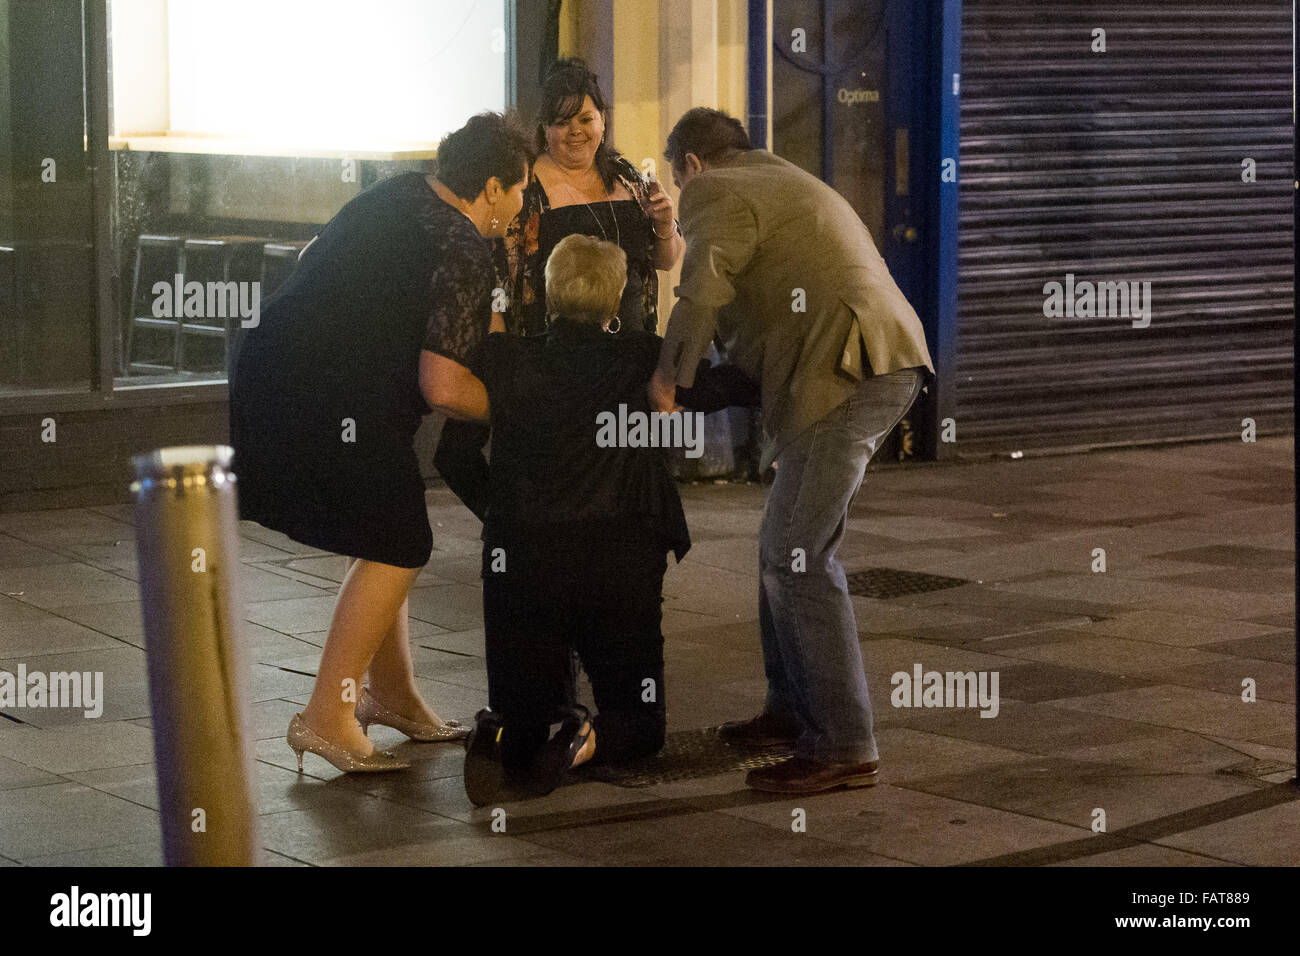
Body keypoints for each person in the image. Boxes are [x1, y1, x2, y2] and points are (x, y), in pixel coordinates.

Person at [229, 112, 532, 773]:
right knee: (400, 542)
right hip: (328, 397)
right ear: (489, 187)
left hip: (274, 374)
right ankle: (328, 716)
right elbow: (445, 386)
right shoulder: (463, 248)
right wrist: (521, 408)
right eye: (517, 192)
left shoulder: (398, 193)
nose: (517, 208)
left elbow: (317, 261)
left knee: (382, 534)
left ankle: (391, 696)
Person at [649, 107, 935, 795]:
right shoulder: (777, 178)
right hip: (863, 364)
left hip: (851, 370)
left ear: (692, 165)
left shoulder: (717, 190)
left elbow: (703, 286)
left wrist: (667, 379)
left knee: (797, 553)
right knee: (783, 545)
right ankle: (789, 710)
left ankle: (843, 743)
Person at [454, 234, 691, 805]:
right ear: (616, 301)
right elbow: (727, 385)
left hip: (521, 557)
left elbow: (453, 457)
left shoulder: (502, 357)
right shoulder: (643, 356)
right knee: (640, 719)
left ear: (545, 292)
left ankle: (507, 731)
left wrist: (504, 510)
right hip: (621, 556)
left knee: (524, 711)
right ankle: (589, 738)